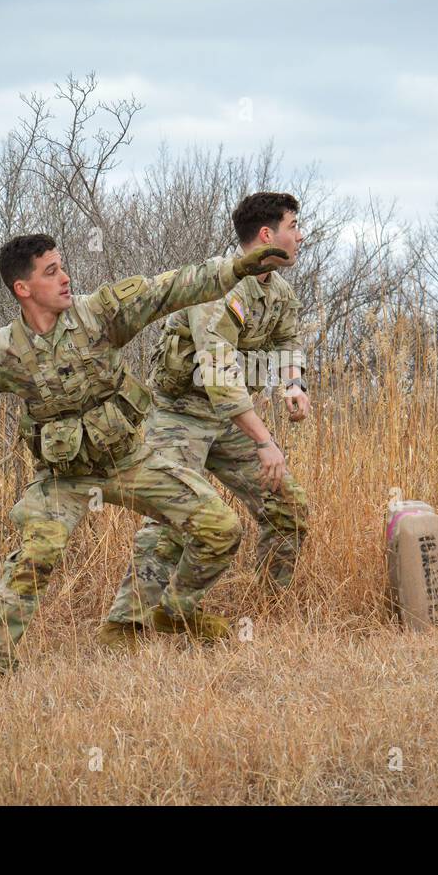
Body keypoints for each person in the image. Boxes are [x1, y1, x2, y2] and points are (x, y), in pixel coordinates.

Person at [0, 233, 293, 673]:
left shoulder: (99, 314)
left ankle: (175, 610)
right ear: (23, 288)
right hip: (63, 479)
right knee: (36, 556)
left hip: (131, 461)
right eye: (51, 272)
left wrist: (237, 268)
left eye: (63, 266)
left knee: (219, 526)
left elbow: (170, 287)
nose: (66, 278)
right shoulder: (1, 350)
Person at [100, 193, 310, 648]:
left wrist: (295, 385)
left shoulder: (278, 291)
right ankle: (125, 628)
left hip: (228, 422)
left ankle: (269, 607)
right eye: (294, 225)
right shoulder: (219, 288)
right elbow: (219, 375)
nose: (301, 235)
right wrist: (264, 441)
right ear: (267, 235)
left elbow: (289, 340)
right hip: (182, 416)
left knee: (287, 508)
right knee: (174, 519)